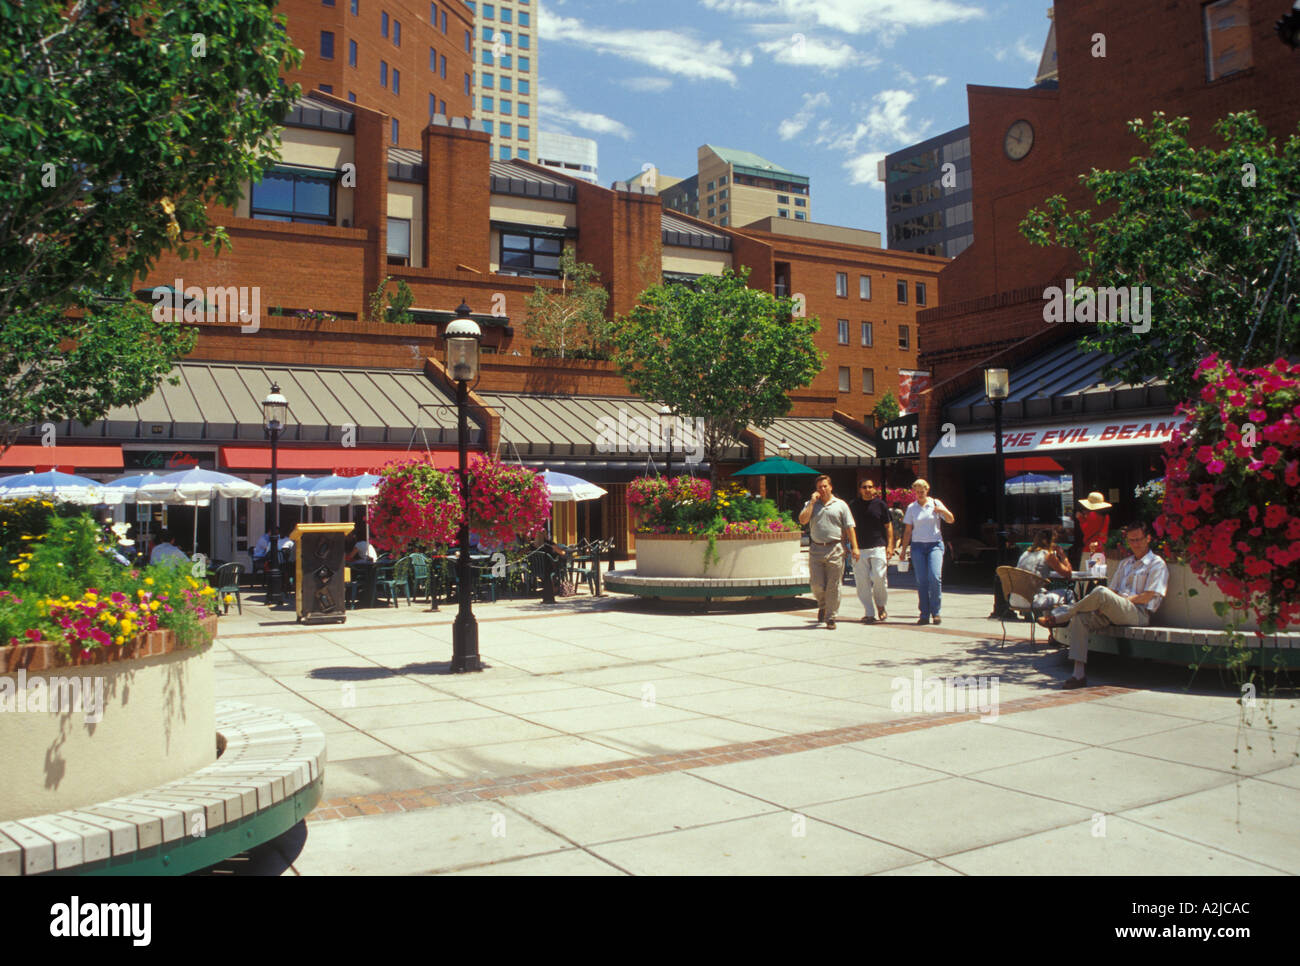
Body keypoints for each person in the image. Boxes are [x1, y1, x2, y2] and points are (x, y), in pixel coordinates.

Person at [1038, 521, 1168, 689]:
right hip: (1114, 610)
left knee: (1100, 591)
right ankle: (1078, 674)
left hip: (1138, 613)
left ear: (1148, 539)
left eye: (1139, 539)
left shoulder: (1157, 564)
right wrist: (1107, 603)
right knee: (1081, 617)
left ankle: (1063, 615)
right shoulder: (1125, 563)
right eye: (1131, 540)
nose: (1135, 544)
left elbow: (1148, 596)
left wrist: (1120, 601)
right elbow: (1112, 590)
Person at [798, 475, 858, 630]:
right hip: (816, 549)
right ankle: (823, 605)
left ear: (831, 487)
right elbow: (803, 520)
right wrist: (811, 502)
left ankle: (831, 617)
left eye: (825, 486)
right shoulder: (811, 504)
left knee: (834, 585)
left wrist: (854, 547)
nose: (822, 489)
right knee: (816, 584)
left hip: (835, 548)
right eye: (819, 487)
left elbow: (849, 527)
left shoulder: (841, 505)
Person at [900, 479, 955, 625]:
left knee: (935, 577)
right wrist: (903, 549)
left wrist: (942, 511)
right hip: (918, 546)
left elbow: (950, 519)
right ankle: (924, 613)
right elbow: (907, 531)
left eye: (922, 491)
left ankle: (936, 612)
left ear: (927, 490)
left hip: (934, 545)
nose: (920, 494)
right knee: (922, 580)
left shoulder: (935, 503)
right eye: (917, 492)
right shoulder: (912, 508)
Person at [849, 478, 893, 623]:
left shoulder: (881, 505)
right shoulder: (853, 505)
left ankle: (881, 605)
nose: (867, 489)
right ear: (860, 489)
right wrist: (850, 546)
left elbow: (888, 527)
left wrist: (890, 546)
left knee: (879, 577)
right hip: (859, 549)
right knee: (862, 582)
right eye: (864, 487)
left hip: (878, 546)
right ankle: (869, 612)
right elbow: (849, 528)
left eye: (870, 487)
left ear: (874, 489)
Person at [1075, 491, 1112, 565]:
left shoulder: (1091, 515)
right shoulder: (1106, 516)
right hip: (1100, 548)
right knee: (1098, 572)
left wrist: (1080, 519)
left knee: (1089, 571)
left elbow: (1086, 530)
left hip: (1090, 549)